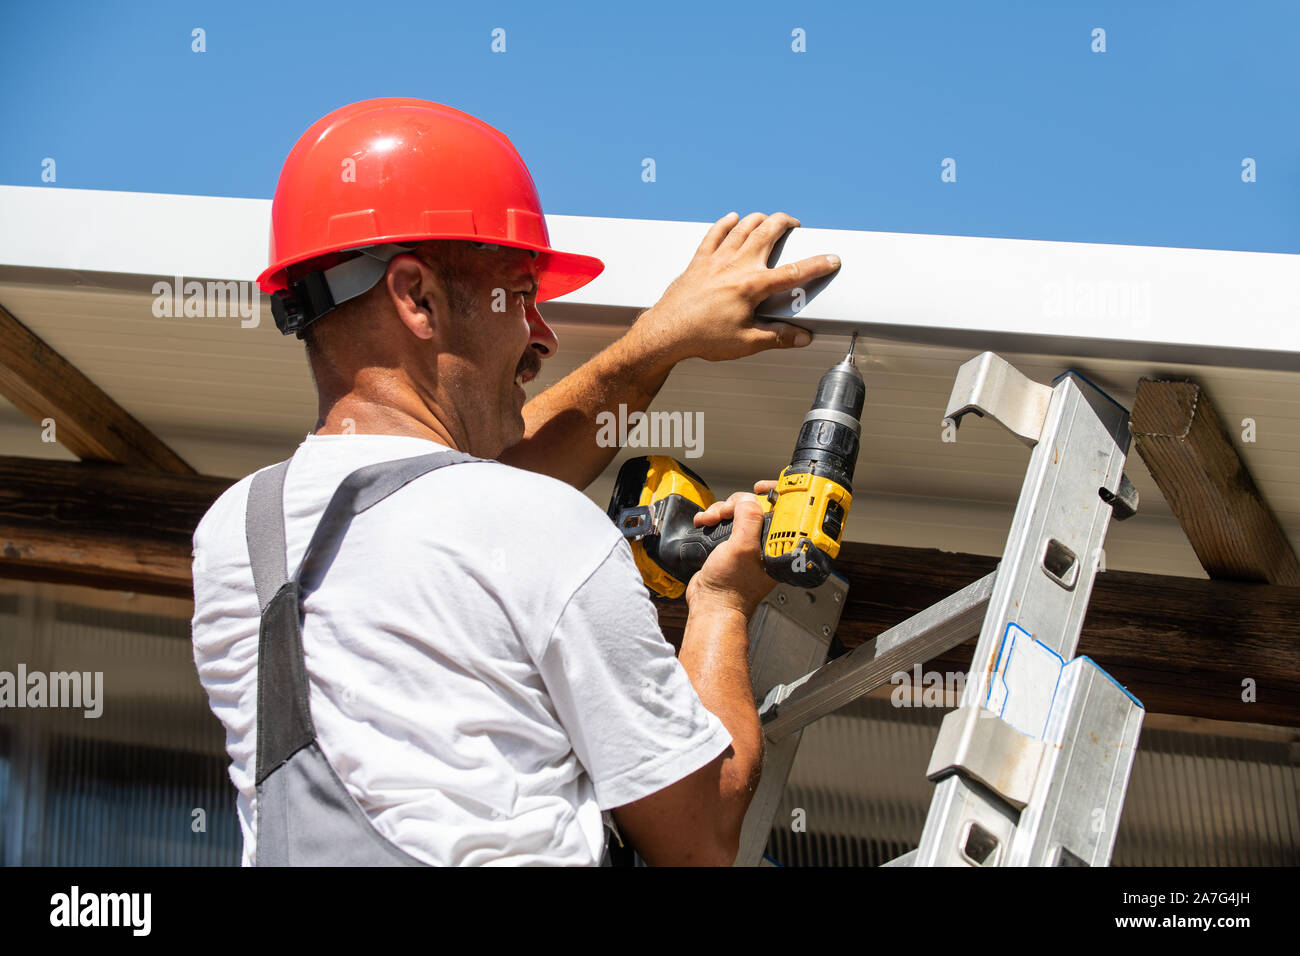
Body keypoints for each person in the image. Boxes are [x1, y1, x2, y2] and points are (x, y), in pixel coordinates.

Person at [190, 98, 840, 866]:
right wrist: (722, 604)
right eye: (520, 293)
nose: (543, 334)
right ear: (416, 296)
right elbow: (701, 834)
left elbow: (440, 495)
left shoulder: (239, 533)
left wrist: (656, 345)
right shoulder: (534, 525)